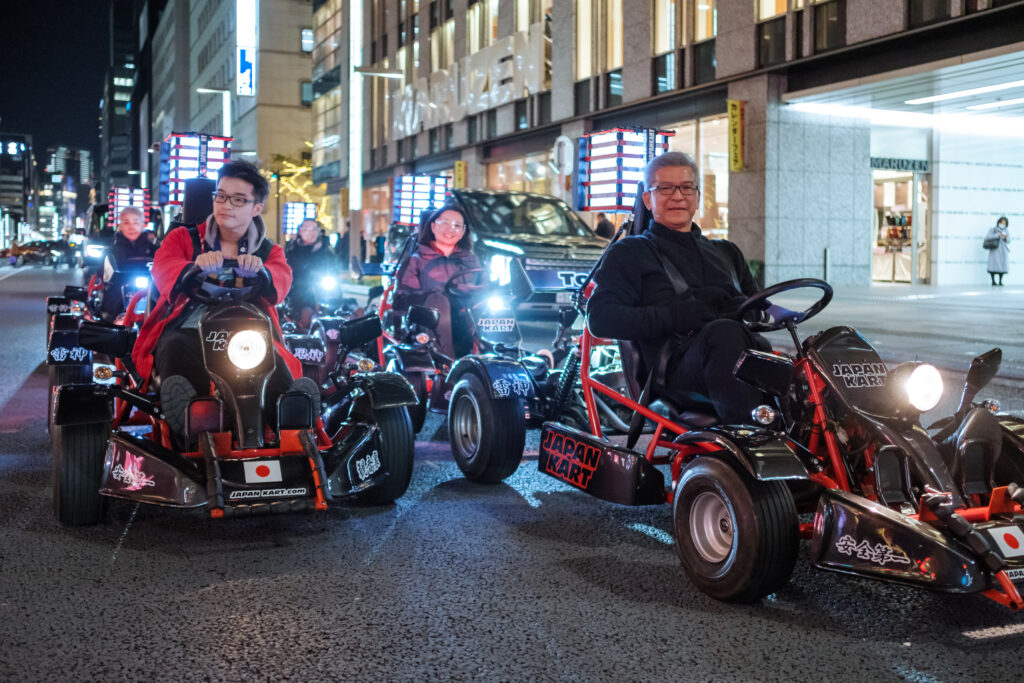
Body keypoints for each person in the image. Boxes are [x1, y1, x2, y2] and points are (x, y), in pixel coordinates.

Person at [587, 152, 792, 425]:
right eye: (664, 189)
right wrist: (675, 315)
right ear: (648, 199)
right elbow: (601, 319)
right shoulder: (631, 253)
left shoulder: (727, 252)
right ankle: (753, 439)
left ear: (697, 196)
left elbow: (754, 314)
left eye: (686, 187)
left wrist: (743, 307)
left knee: (825, 348)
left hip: (738, 359)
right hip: (673, 374)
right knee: (724, 333)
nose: (677, 196)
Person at [131, 160, 304, 439]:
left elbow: (281, 281)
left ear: (256, 208)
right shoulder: (184, 238)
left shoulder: (268, 250)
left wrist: (263, 272)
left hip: (248, 329)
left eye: (238, 199)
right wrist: (193, 267)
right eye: (221, 196)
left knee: (275, 362)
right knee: (174, 347)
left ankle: (292, 414)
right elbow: (163, 268)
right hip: (191, 326)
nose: (226, 205)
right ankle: (192, 417)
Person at [393, 204, 481, 358]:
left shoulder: (471, 261)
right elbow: (401, 298)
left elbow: (483, 286)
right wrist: (432, 295)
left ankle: (492, 356)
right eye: (445, 223)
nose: (450, 229)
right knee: (439, 301)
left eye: (456, 225)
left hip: (465, 314)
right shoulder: (416, 261)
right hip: (427, 320)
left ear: (463, 232)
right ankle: (447, 362)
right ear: (433, 227)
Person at [97, 206, 159, 320]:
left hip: (150, 292)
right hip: (118, 294)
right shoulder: (111, 251)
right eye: (126, 223)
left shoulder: (154, 250)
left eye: (135, 222)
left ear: (142, 225)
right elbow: (103, 273)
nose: (131, 227)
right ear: (120, 226)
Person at [284, 219, 336, 330]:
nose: (310, 232)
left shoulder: (326, 250)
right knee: (304, 313)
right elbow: (287, 271)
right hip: (299, 291)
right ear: (300, 231)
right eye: (306, 229)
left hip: (323, 289)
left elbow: (333, 267)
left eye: (313, 229)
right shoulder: (292, 251)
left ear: (318, 231)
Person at [986, 216, 1010, 286]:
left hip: (1003, 250)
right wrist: (998, 235)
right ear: (998, 222)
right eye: (1001, 222)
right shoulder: (993, 229)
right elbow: (988, 237)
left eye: (1004, 223)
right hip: (995, 250)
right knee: (993, 266)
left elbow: (1009, 240)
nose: (1003, 224)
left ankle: (1000, 281)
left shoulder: (1006, 230)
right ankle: (993, 281)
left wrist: (1005, 237)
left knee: (1002, 266)